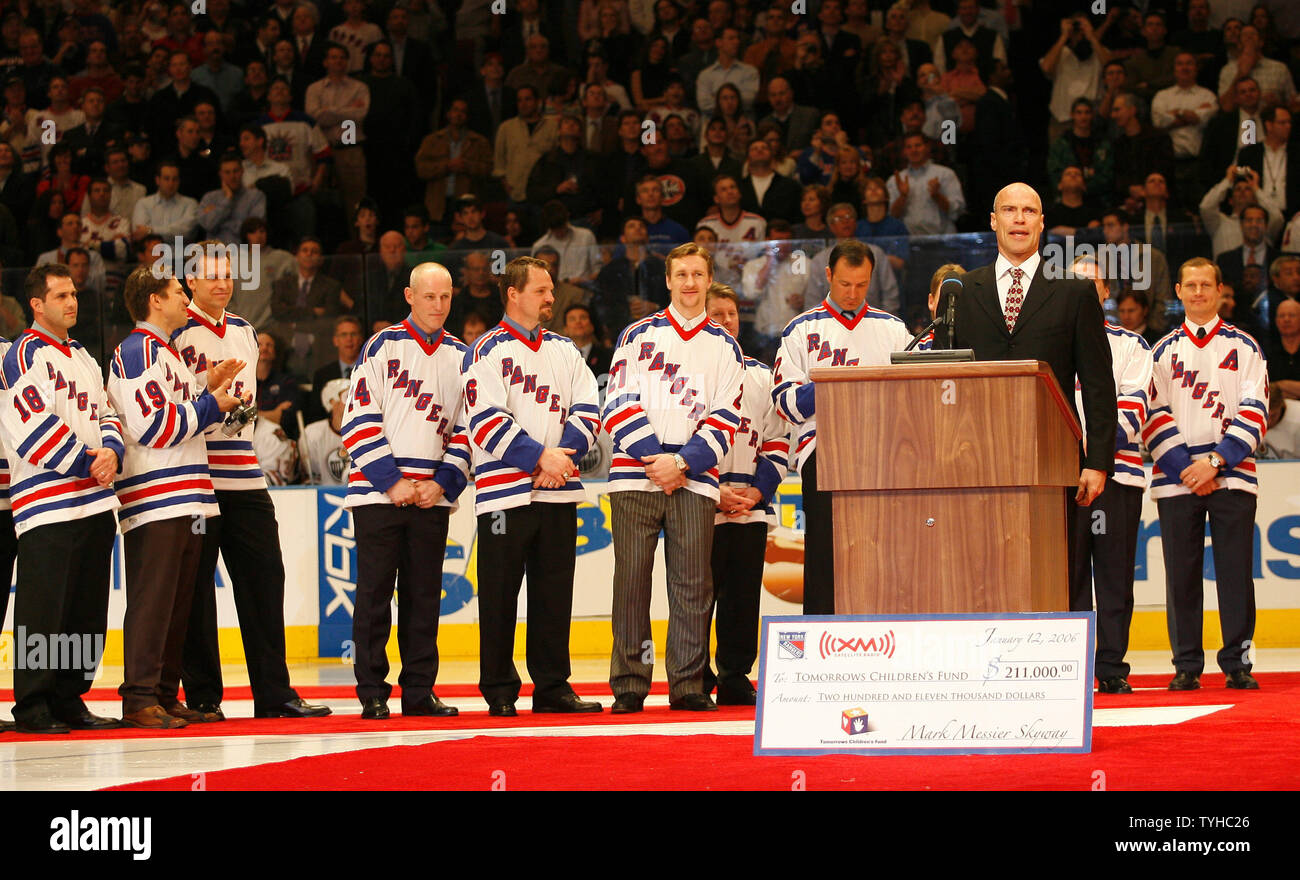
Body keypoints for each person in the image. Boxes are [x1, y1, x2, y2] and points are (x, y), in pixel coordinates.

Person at [174, 241, 330, 720]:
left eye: (228, 275)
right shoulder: (174, 333)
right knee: (196, 591)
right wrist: (210, 396)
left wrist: (231, 410)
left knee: (264, 581)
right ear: (191, 282)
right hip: (198, 479)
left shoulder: (245, 330)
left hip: (244, 475)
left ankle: (274, 693)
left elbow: (245, 409)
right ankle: (203, 698)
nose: (222, 283)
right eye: (211, 276)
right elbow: (177, 409)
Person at [602, 242, 744, 712]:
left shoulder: (726, 346)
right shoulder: (637, 335)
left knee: (692, 584)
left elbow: (727, 417)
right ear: (667, 280)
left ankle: (687, 685)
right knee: (631, 582)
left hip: (693, 480)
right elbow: (618, 405)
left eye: (697, 274)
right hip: (634, 477)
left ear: (708, 279)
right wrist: (656, 460)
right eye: (680, 274)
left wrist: (681, 463)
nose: (688, 282)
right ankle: (629, 684)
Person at [933, 182, 1118, 538]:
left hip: (1053, 458)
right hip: (973, 458)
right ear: (992, 221)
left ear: (1042, 222)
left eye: (1029, 211)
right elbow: (942, 382)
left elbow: (1098, 385)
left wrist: (1097, 463)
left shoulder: (1075, 292)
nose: (1020, 219)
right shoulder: (960, 292)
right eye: (1009, 210)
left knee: (1053, 574)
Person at [462, 256, 603, 715]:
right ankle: (500, 689)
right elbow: (482, 420)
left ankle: (552, 687)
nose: (550, 297)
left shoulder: (566, 349)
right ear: (513, 293)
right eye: (541, 290)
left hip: (558, 491)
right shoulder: (486, 350)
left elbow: (589, 409)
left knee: (553, 593)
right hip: (505, 496)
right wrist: (541, 457)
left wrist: (559, 459)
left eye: (550, 289)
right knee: (500, 595)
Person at [108, 266, 244, 728]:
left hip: (187, 493)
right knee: (153, 601)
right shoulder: (137, 351)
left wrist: (208, 387)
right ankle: (140, 699)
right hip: (157, 495)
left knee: (177, 603)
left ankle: (164, 695)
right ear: (154, 301)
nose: (187, 299)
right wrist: (210, 403)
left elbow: (187, 418)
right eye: (177, 292)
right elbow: (156, 427)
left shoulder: (164, 353)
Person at [342, 262, 471, 718]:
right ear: (409, 296)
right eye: (429, 296)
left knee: (423, 597)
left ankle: (419, 691)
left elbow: (468, 432)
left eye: (446, 297)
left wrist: (441, 483)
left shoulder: (463, 355)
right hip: (379, 495)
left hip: (431, 498)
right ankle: (372, 692)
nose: (438, 305)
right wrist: (392, 482)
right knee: (374, 596)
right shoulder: (382, 346)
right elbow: (357, 421)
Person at [0, 264, 124, 733]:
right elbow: (29, 428)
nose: (72, 302)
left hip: (95, 502)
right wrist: (87, 461)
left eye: (74, 294)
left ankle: (71, 698)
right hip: (46, 501)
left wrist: (111, 450)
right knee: (43, 609)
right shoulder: (23, 355)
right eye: (60, 296)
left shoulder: (84, 357)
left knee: (85, 609)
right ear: (36, 304)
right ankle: (33, 705)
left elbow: (108, 411)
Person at [1142, 257, 1269, 691]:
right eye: (1189, 285)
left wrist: (1214, 463)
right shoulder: (1160, 352)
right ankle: (1186, 665)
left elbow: (1256, 410)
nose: (1197, 292)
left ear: (1219, 290)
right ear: (1177, 291)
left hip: (1231, 476)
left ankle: (1238, 662)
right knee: (1181, 576)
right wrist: (1187, 468)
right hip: (1177, 479)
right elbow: (1152, 415)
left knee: (1235, 572)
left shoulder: (1245, 347)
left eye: (1205, 285)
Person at [773, 240, 911, 614]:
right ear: (829, 275)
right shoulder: (800, 330)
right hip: (824, 451)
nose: (852, 294)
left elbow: (915, 398)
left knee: (884, 548)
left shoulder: (894, 330)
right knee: (824, 551)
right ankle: (820, 635)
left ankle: (884, 631)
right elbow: (785, 402)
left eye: (862, 285)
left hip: (883, 452)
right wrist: (840, 384)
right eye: (845, 284)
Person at [1067, 257, 1153, 695]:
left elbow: (1135, 409)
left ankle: (1113, 668)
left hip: (1117, 476)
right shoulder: (1051, 342)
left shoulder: (1132, 346)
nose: (1085, 290)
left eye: (1092, 283)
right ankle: (1078, 669)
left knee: (1115, 575)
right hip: (1063, 477)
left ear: (1104, 292)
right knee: (1072, 576)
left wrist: (1091, 454)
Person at [703, 283, 788, 703]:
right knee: (696, 596)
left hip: (750, 507)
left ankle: (735, 676)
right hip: (700, 503)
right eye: (715, 315)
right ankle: (695, 676)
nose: (726, 322)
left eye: (731, 315)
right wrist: (711, 489)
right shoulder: (691, 374)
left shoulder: (761, 375)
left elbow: (777, 442)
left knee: (741, 597)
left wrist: (757, 492)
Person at [307, 314, 363, 423]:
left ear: (360, 339)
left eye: (353, 334)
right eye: (343, 335)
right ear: (335, 340)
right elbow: (315, 416)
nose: (349, 339)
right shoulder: (321, 375)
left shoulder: (371, 371)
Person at [299, 377, 349, 485]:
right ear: (332, 401)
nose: (353, 401)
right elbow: (310, 476)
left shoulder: (366, 429)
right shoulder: (313, 434)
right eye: (347, 396)